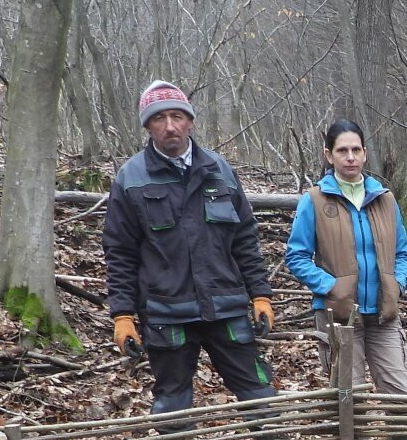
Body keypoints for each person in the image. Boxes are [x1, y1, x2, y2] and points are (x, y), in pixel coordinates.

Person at [104, 80, 277, 417]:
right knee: (172, 404)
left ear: (190, 121)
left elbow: (244, 238)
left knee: (259, 394)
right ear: (147, 126)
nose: (170, 126)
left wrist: (261, 295)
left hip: (225, 307)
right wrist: (123, 316)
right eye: (159, 119)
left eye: (177, 116)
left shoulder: (219, 170)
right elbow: (120, 252)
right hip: (166, 313)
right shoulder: (131, 178)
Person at [283, 119, 407, 393]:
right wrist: (332, 287)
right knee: (348, 400)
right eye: (342, 151)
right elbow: (296, 257)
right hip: (339, 317)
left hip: (383, 315)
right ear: (329, 155)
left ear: (365, 152)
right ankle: (351, 439)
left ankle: (395, 438)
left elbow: (402, 252)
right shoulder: (316, 200)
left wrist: (396, 284)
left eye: (356, 149)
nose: (351, 157)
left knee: (401, 396)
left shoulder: (385, 199)